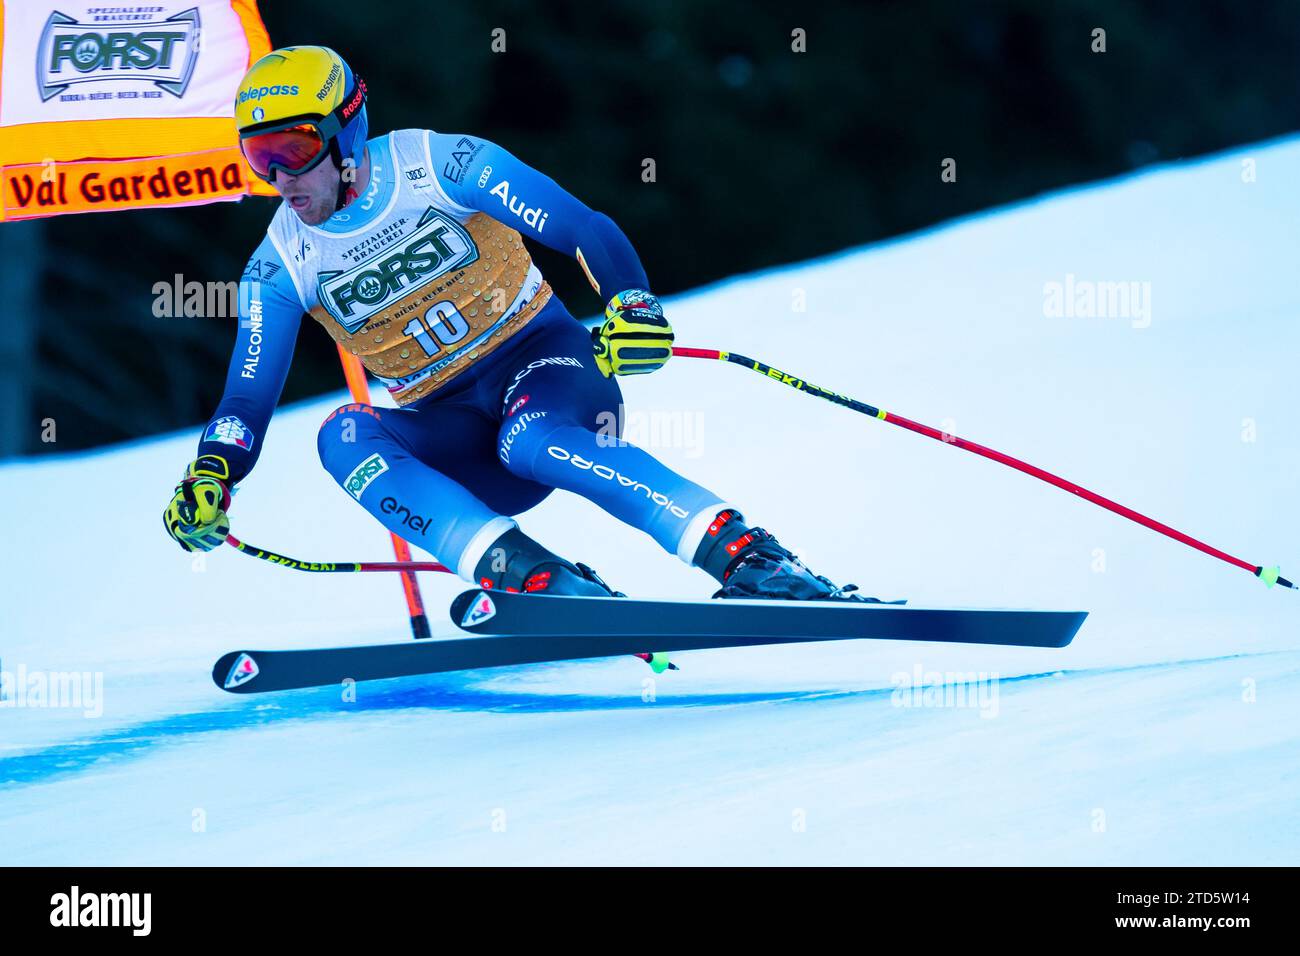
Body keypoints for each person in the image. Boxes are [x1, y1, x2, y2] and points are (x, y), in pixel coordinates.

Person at [163, 45, 867, 602]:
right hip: (454, 430)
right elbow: (247, 400)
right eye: (259, 158)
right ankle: (528, 575)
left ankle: (746, 554)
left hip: (548, 373)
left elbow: (580, 225)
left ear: (346, 132)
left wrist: (632, 303)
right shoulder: (279, 262)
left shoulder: (438, 165)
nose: (281, 178)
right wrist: (212, 475)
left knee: (530, 439)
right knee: (343, 435)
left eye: (292, 149)